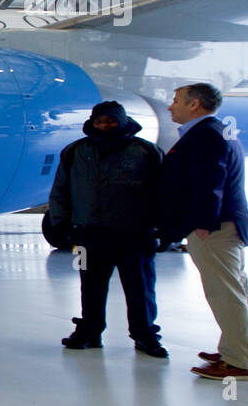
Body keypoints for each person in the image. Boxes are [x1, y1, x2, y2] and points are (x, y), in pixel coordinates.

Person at [159, 83, 248, 380]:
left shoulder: (205, 135)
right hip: (227, 223)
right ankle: (245, 349)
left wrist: (203, 223)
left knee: (225, 293)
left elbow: (210, 183)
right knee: (236, 290)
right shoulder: (218, 132)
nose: (171, 106)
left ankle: (239, 362)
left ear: (195, 105)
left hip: (215, 228)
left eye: (176, 100)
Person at [49, 101, 165, 356]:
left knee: (140, 288)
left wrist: (163, 229)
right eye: (99, 122)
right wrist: (61, 224)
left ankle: (145, 335)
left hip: (134, 233)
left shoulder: (146, 152)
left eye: (110, 121)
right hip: (91, 233)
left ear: (122, 121)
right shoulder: (76, 151)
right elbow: (61, 190)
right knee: (90, 286)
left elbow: (163, 194)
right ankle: (90, 331)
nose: (104, 126)